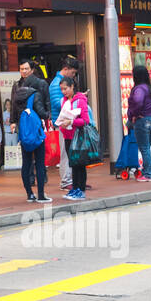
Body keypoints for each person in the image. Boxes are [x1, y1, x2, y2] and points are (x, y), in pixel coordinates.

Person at [55, 76, 91, 201]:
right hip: (67, 136)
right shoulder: (64, 101)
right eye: (61, 89)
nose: (63, 91)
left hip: (77, 136)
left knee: (79, 164)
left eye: (65, 88)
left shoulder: (80, 100)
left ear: (72, 87)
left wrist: (71, 121)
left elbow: (85, 120)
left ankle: (80, 190)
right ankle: (75, 189)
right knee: (73, 164)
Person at [48, 56, 79, 191]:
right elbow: (57, 103)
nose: (73, 76)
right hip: (63, 123)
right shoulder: (56, 84)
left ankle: (72, 179)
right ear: (66, 69)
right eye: (72, 73)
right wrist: (76, 103)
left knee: (69, 152)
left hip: (67, 122)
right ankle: (66, 181)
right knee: (66, 153)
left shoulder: (58, 82)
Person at [127, 65, 151, 182]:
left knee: (144, 147)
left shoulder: (139, 89)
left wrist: (134, 114)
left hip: (143, 120)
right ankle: (149, 172)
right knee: (147, 147)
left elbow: (138, 102)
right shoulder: (148, 87)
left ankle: (149, 174)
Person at [18, 89, 50, 203]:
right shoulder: (35, 95)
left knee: (26, 164)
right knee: (40, 164)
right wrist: (48, 115)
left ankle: (29, 194)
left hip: (24, 135)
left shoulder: (18, 96)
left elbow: (14, 114)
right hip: (36, 135)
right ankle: (41, 194)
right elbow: (42, 113)